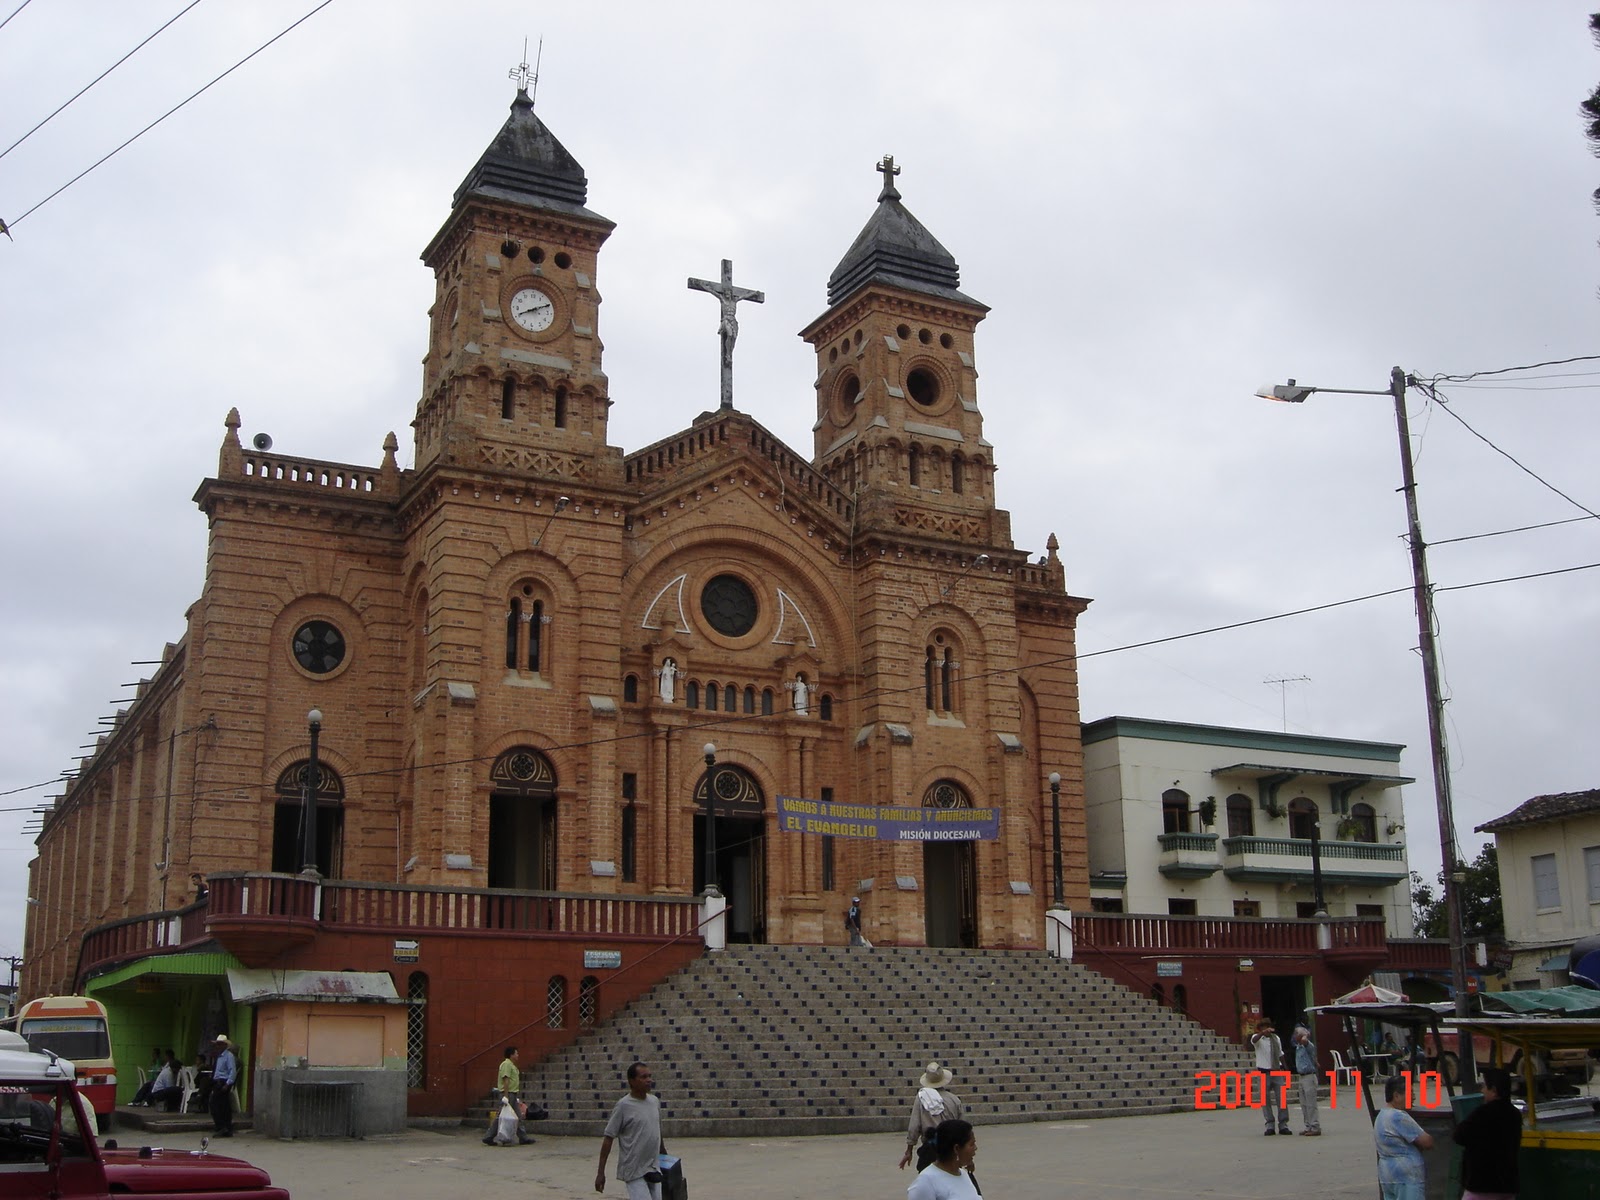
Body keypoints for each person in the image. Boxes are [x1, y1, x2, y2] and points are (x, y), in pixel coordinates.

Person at [596, 1061, 666, 1199]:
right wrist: (600, 1173)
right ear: (632, 1081)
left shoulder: (654, 1101)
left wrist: (664, 1156)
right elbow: (608, 1138)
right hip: (633, 1170)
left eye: (649, 1076)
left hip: (653, 1167)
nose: (649, 1080)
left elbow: (657, 1130)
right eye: (644, 1077)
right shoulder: (623, 1106)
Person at [1452, 1066, 1521, 1200]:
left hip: (1481, 1186)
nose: (1482, 1090)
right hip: (1508, 1185)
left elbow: (1459, 1136)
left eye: (1484, 1086)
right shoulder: (1514, 1114)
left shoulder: (1482, 1113)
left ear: (1494, 1090)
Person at [1374, 1074, 1434, 1200]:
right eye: (1410, 1093)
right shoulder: (1398, 1117)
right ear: (1396, 1096)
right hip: (1407, 1177)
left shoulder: (1381, 1116)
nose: (1413, 1097)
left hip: (1387, 1176)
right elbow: (1427, 1141)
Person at [899, 1062, 964, 1171]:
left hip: (930, 1149)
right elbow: (963, 1130)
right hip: (951, 1149)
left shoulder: (922, 1099)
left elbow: (914, 1127)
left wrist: (909, 1151)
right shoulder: (954, 1100)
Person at [906, 1118, 981, 1200]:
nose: (975, 1148)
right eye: (972, 1144)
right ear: (956, 1149)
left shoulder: (964, 1175)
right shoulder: (926, 1183)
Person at [484, 1045, 532, 1145]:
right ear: (511, 1055)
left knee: (518, 1116)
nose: (518, 1055)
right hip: (508, 1094)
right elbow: (506, 1080)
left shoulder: (512, 1065)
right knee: (501, 1116)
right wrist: (505, 1095)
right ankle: (489, 1136)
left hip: (512, 1094)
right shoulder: (506, 1064)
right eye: (516, 1053)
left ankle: (523, 1137)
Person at [1249, 1019, 1290, 1135]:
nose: (1266, 1029)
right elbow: (1254, 1040)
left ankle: (1283, 1124)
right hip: (1263, 1072)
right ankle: (1270, 1124)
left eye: (1268, 1027)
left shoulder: (1276, 1038)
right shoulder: (1257, 1038)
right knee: (1265, 1100)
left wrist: (1286, 1068)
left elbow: (1280, 1053)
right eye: (1263, 1027)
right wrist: (1262, 1033)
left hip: (1277, 1070)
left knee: (1281, 1099)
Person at [1291, 1023, 1321, 1136]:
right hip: (1301, 1076)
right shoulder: (1298, 1047)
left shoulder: (1308, 1045)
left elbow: (1305, 1042)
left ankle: (1315, 1126)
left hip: (1309, 1076)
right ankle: (1308, 1125)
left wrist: (1305, 1035)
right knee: (1304, 1104)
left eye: (1296, 1034)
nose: (1294, 1036)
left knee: (1311, 1103)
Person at [209, 1034, 237, 1137]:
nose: (218, 1046)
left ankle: (223, 1126)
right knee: (221, 1106)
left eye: (220, 1044)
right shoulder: (219, 1057)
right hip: (217, 1082)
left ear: (225, 1045)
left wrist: (228, 1083)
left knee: (216, 1104)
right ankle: (224, 1127)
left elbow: (232, 1071)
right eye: (217, 1044)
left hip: (223, 1082)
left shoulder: (228, 1056)